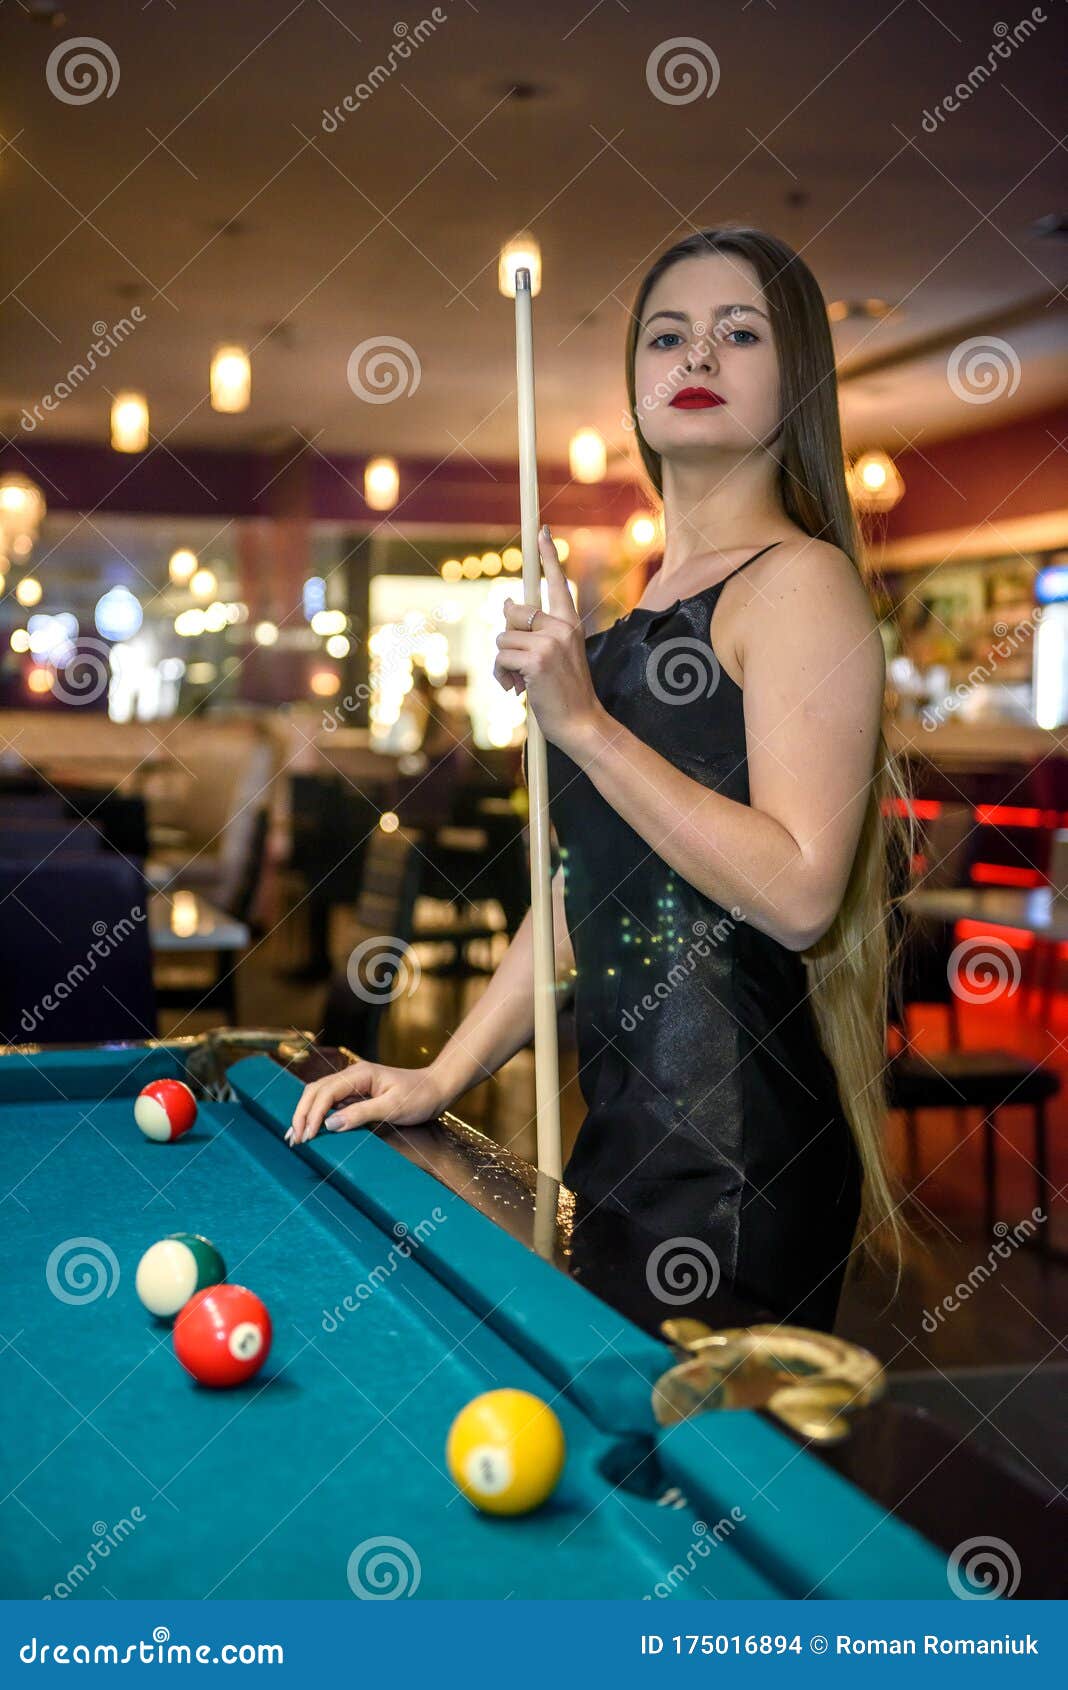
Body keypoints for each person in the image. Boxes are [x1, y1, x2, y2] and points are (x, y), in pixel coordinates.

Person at [287, 226, 915, 1332]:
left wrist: (584, 724)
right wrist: (441, 1076)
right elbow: (585, 894)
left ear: (798, 375)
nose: (697, 358)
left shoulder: (801, 585)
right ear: (633, 384)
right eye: (668, 335)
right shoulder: (630, 622)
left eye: (739, 333)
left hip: (737, 1167)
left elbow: (806, 889)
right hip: (624, 1147)